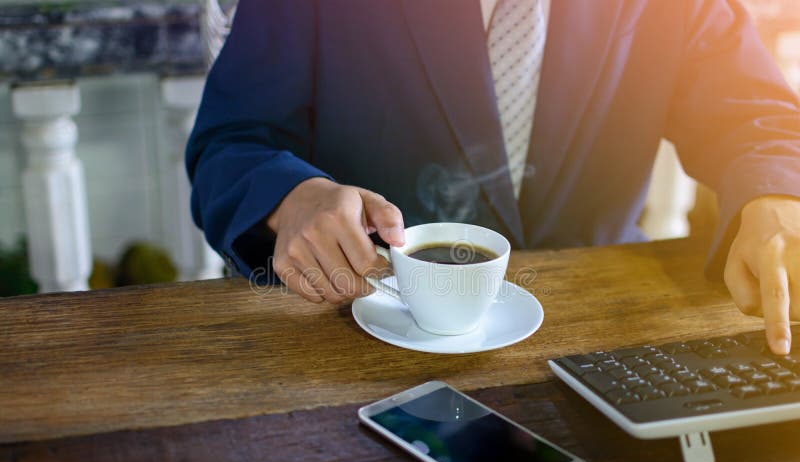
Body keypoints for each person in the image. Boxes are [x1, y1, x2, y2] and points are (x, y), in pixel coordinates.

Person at [186, 0, 800, 355]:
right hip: (367, 342)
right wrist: (295, 197)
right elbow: (232, 141)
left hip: (606, 338)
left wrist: (777, 193)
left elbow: (759, 117)